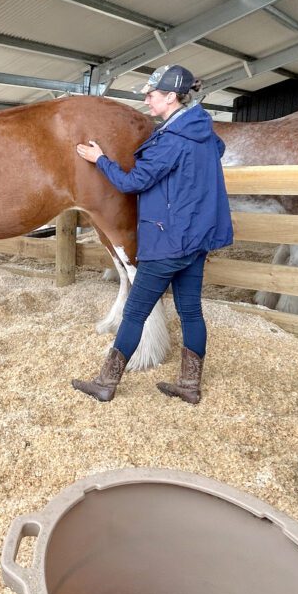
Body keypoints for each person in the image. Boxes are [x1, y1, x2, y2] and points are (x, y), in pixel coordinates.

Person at [72, 64, 232, 404]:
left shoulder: (173, 140)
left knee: (134, 312)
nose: (146, 99)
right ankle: (189, 385)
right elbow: (216, 152)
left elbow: (133, 182)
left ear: (171, 97)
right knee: (190, 311)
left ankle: (105, 383)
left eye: (152, 94)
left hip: (169, 240)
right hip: (196, 238)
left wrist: (100, 159)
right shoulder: (201, 129)